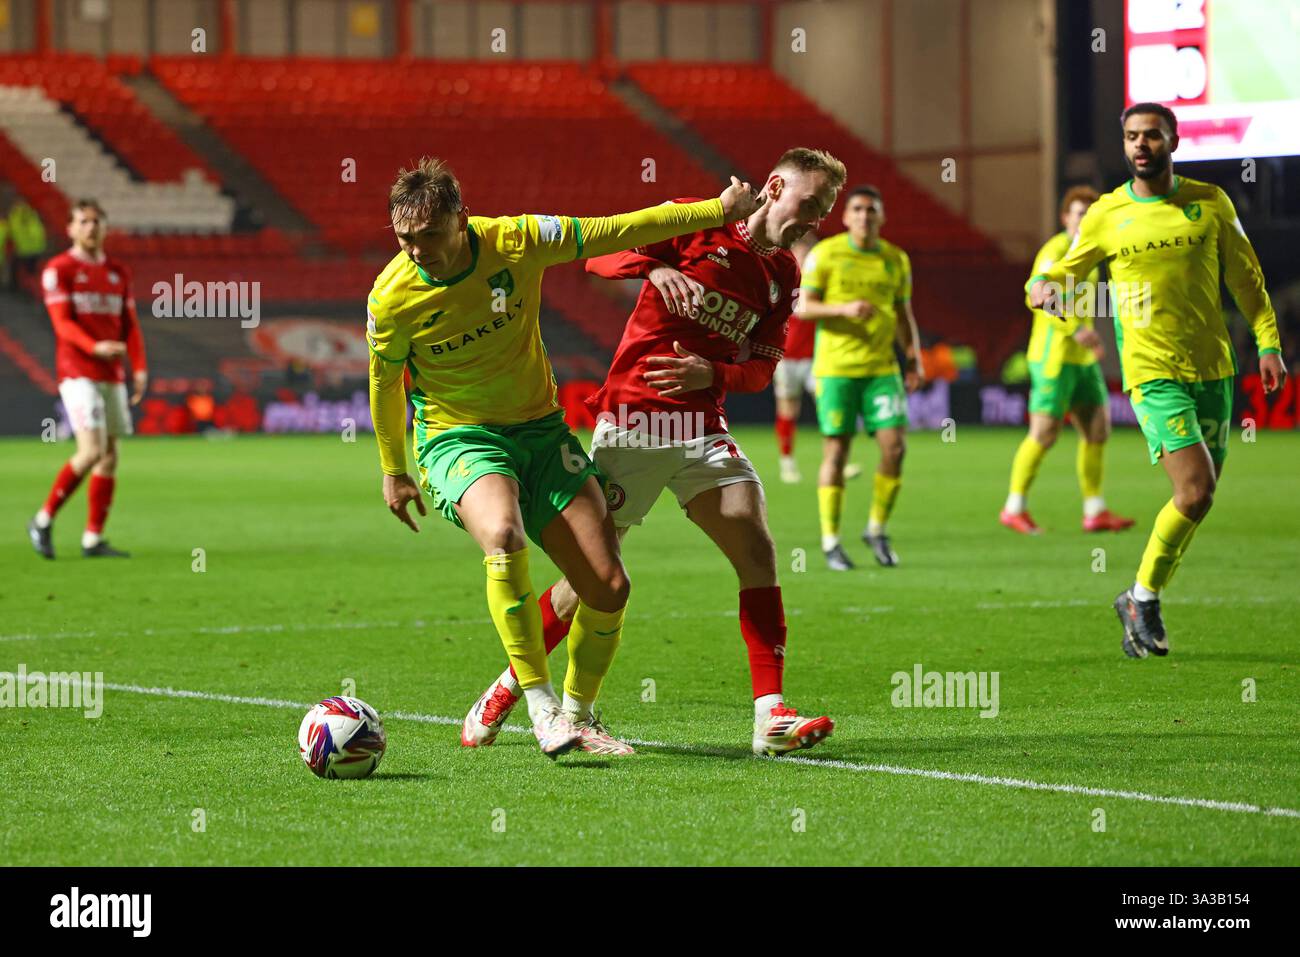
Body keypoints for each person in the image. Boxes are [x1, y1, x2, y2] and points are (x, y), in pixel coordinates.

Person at [368, 157, 764, 758]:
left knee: (607, 585)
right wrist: (394, 469)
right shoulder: (392, 297)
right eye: (404, 239)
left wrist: (717, 211)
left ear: (461, 221)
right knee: (503, 534)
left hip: (542, 432)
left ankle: (581, 714)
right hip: (458, 437)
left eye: (429, 236)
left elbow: (614, 228)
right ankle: (541, 705)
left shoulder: (517, 241)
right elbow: (383, 380)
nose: (418, 251)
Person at [460, 148, 846, 757]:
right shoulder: (698, 218)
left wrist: (710, 374)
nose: (815, 220)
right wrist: (652, 269)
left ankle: (769, 715)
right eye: (810, 204)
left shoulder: (783, 277)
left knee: (756, 544)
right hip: (635, 420)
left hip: (702, 427)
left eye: (824, 212)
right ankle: (510, 685)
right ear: (774, 187)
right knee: (588, 581)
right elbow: (597, 254)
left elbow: (762, 369)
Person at [1028, 103, 1286, 659]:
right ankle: (1143, 599)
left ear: (1173, 139)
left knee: (1200, 499)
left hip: (1214, 368)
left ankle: (1139, 595)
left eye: (1151, 135)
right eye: (1130, 137)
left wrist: (1268, 342)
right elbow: (1060, 270)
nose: (1140, 145)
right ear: (1123, 145)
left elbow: (1247, 278)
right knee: (1194, 488)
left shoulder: (1209, 203)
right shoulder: (1106, 213)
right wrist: (1041, 288)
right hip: (1150, 372)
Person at [798, 185, 925, 570]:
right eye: (857, 209)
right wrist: (845, 308)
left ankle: (877, 528)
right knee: (836, 452)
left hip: (881, 369)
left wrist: (914, 357)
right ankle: (831, 540)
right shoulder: (826, 254)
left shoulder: (894, 259)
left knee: (895, 448)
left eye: (872, 209)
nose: (865, 216)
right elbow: (802, 306)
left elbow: (903, 313)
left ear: (881, 217)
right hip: (836, 370)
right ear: (845, 215)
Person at [1001, 186, 1134, 535]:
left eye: (1090, 214)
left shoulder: (1090, 254)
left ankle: (1094, 510)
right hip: (1053, 357)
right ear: (1065, 218)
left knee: (1097, 429)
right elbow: (1038, 295)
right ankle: (1014, 507)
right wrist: (1076, 330)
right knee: (1044, 433)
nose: (1083, 219)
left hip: (1082, 358)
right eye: (1078, 213)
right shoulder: (1055, 250)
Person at [27, 200, 146, 560]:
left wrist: (139, 368)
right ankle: (43, 519)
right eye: (83, 221)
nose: (91, 227)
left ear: (105, 227)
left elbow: (130, 326)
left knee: (109, 457)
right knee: (91, 451)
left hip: (112, 374)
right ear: (70, 229)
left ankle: (93, 538)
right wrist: (94, 347)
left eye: (97, 221)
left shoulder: (117, 272)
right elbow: (62, 324)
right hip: (78, 372)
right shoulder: (59, 269)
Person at [772, 230, 818, 483]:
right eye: (801, 252)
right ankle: (787, 463)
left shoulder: (820, 286)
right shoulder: (784, 282)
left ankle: (835, 459)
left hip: (815, 358)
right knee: (788, 409)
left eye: (809, 253)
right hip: (786, 358)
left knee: (828, 404)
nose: (806, 257)